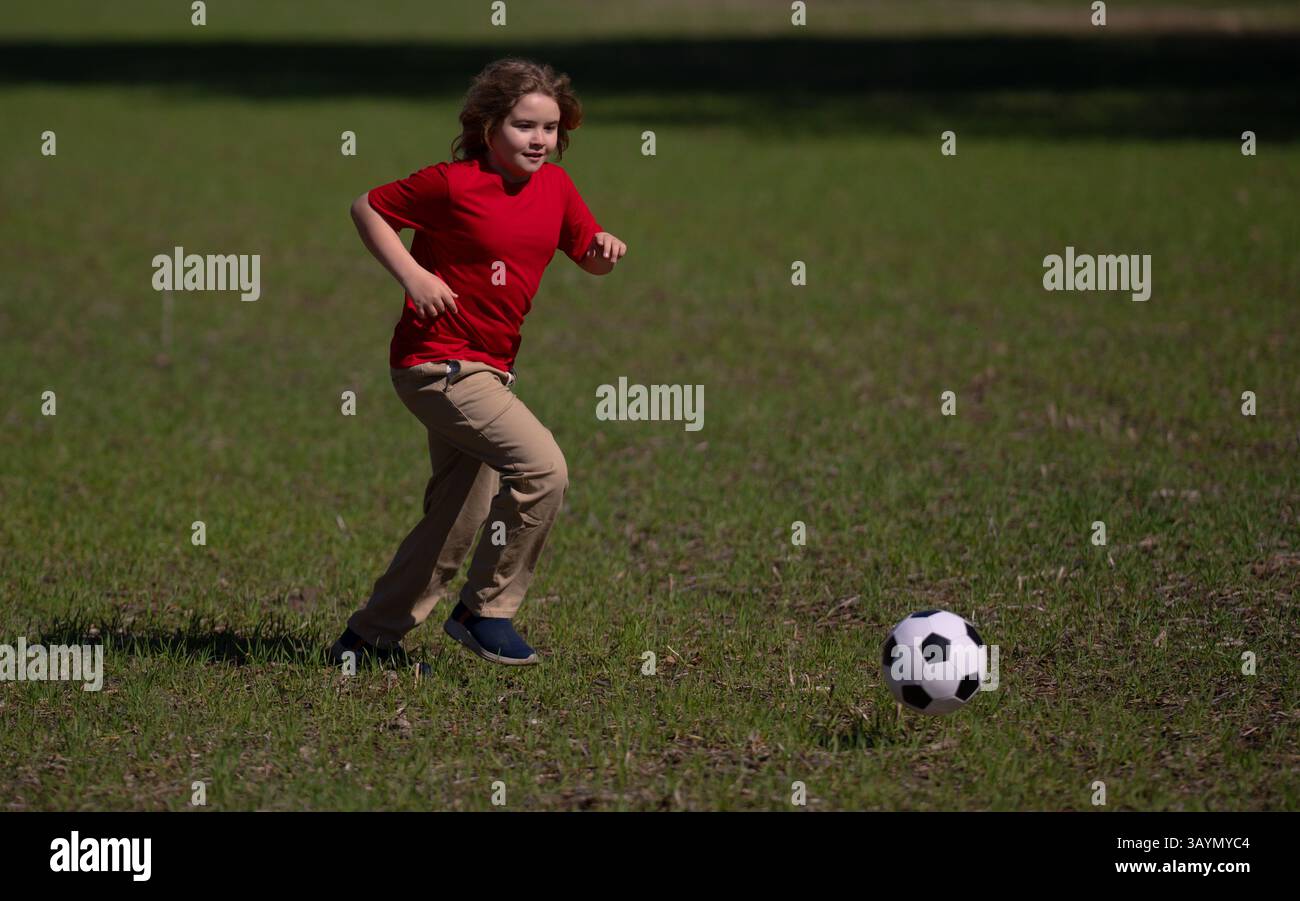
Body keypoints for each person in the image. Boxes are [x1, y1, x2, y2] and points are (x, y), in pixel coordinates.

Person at [329, 58, 627, 668]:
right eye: (524, 126)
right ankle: (484, 610)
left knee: (457, 518)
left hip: (491, 368)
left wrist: (604, 251)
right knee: (543, 468)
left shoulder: (557, 188)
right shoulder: (451, 183)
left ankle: (368, 640)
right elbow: (368, 207)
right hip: (436, 365)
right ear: (488, 126)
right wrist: (413, 275)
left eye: (550, 128)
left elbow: (588, 257)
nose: (539, 139)